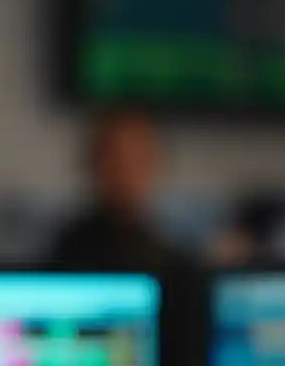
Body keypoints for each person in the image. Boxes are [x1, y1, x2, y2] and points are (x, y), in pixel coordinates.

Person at [47, 109, 187, 273]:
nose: (124, 171)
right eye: (114, 158)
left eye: (136, 159)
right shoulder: (64, 255)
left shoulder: (172, 261)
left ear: (154, 163)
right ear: (93, 163)